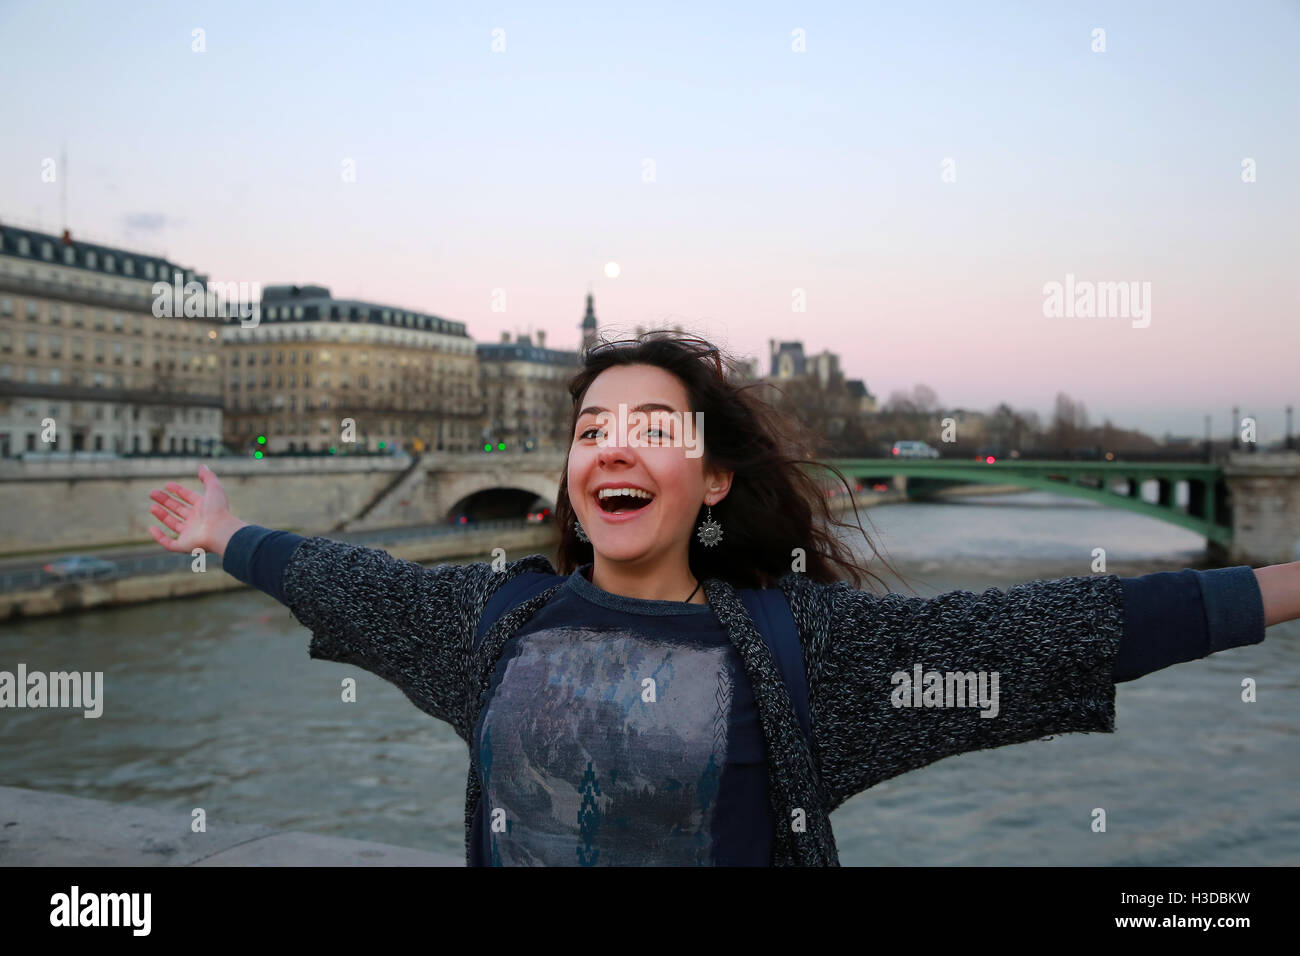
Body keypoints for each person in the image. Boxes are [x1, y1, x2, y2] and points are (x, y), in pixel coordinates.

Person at [146, 331, 1298, 866]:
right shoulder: (493, 623)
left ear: (712, 477)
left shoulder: (804, 653)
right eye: (590, 429)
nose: (611, 446)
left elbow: (1069, 629)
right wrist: (223, 530)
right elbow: (346, 581)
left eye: (652, 428)